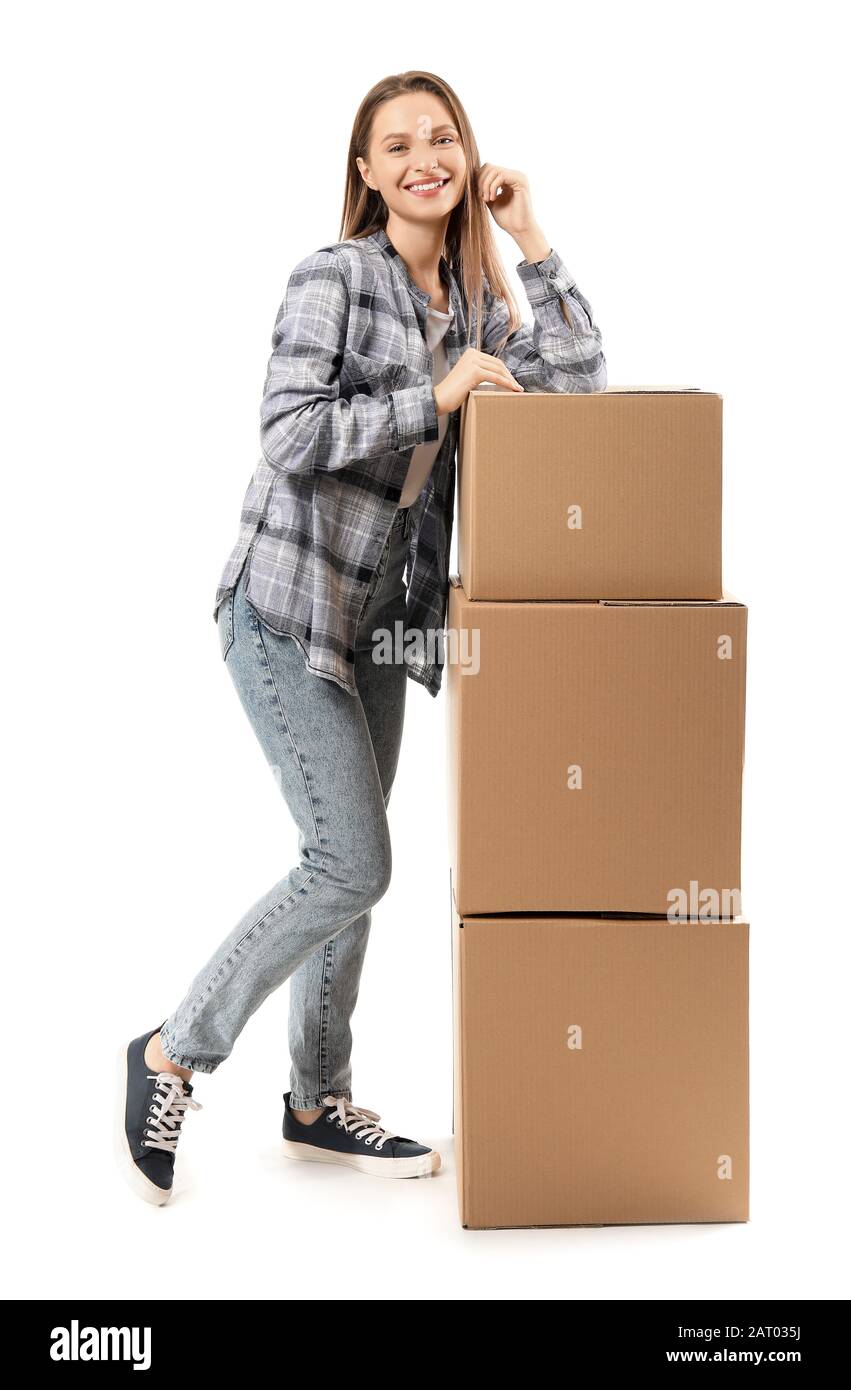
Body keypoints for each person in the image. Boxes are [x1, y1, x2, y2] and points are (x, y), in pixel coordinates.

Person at [116, 69, 607, 1205]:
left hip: (383, 627)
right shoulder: (335, 277)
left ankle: (313, 1100)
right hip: (286, 611)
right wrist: (428, 400)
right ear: (366, 172)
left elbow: (579, 381)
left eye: (442, 139)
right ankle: (169, 1052)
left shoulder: (480, 309)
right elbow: (287, 433)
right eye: (397, 146)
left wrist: (526, 233)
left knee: (348, 870)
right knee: (351, 859)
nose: (424, 158)